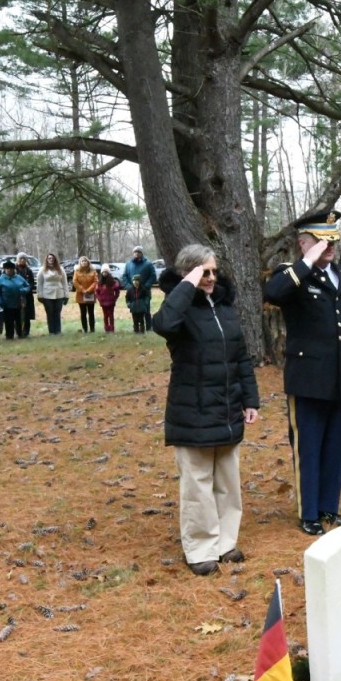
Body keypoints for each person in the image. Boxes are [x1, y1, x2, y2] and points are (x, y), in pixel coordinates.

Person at [152, 245, 260, 576]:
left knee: (227, 481)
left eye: (214, 271)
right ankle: (200, 548)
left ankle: (225, 542)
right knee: (197, 484)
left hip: (227, 408)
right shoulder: (179, 309)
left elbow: (241, 356)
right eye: (204, 272)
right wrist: (189, 283)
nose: (211, 278)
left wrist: (251, 400)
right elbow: (164, 324)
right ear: (188, 274)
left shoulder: (226, 307)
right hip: (192, 410)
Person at [263, 210, 341, 535]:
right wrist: (306, 262)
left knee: (335, 445)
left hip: (339, 376)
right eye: (321, 240)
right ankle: (309, 513)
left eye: (332, 239)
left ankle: (329, 508)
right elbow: (273, 294)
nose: (329, 246)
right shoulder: (292, 274)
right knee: (308, 447)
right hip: (308, 377)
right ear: (303, 243)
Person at [0, 260, 29, 340]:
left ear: (13, 269)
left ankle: (20, 334)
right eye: (7, 269)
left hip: (18, 302)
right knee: (9, 321)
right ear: (4, 270)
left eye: (10, 269)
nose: (9, 270)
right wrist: (0, 302)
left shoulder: (18, 277)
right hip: (6, 304)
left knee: (19, 320)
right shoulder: (0, 279)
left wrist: (24, 290)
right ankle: (9, 336)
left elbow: (27, 286)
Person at [121, 245, 155, 331]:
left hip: (144, 291)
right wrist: (129, 287)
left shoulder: (148, 264)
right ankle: (135, 327)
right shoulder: (129, 264)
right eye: (135, 252)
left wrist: (146, 286)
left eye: (138, 252)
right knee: (134, 310)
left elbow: (153, 276)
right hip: (132, 291)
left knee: (146, 308)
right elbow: (124, 276)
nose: (136, 254)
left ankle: (148, 326)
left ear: (142, 253)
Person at [36, 253, 68, 335]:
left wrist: (66, 295)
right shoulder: (42, 270)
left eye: (52, 258)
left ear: (55, 259)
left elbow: (64, 282)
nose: (51, 259)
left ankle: (58, 330)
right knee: (50, 312)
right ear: (46, 260)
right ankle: (51, 330)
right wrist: (40, 295)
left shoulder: (60, 269)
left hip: (59, 293)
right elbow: (39, 283)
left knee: (57, 312)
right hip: (47, 294)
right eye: (49, 258)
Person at [72, 257, 98, 333]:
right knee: (83, 313)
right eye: (82, 261)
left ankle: (92, 329)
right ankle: (85, 329)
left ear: (88, 262)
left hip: (90, 294)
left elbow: (96, 281)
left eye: (85, 261)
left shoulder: (93, 271)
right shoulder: (77, 271)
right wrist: (82, 290)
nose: (84, 262)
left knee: (91, 312)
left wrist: (89, 290)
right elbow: (75, 281)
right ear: (80, 263)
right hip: (80, 295)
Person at [14, 254, 37, 338]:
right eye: (21, 259)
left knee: (27, 314)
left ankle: (26, 332)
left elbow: (31, 282)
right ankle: (17, 332)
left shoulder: (28, 270)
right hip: (16, 295)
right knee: (17, 314)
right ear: (17, 260)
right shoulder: (14, 269)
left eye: (24, 259)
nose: (22, 260)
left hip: (27, 295)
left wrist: (27, 289)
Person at [95, 266, 121, 333]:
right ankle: (106, 328)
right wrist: (99, 298)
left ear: (108, 273)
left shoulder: (113, 282)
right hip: (103, 302)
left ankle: (112, 328)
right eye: (103, 272)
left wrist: (114, 298)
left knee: (111, 315)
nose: (104, 273)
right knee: (105, 315)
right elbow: (97, 291)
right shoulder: (100, 282)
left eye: (106, 272)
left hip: (111, 301)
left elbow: (117, 290)